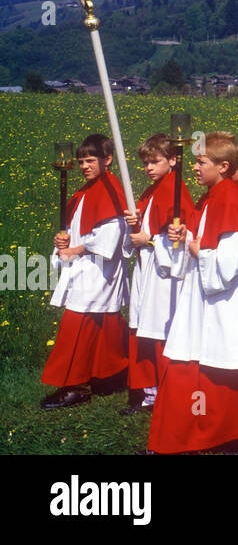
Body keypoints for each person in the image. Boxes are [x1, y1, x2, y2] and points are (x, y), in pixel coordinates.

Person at [148, 131, 238, 454]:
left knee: (227, 369)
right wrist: (185, 234)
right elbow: (203, 238)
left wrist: (196, 250)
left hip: (227, 302)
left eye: (201, 161)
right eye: (194, 161)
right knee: (198, 367)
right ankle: (194, 435)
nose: (194, 168)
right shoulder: (211, 198)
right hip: (204, 299)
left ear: (223, 166)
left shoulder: (230, 198)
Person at [41, 134, 129, 410]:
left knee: (79, 324)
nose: (84, 166)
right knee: (102, 326)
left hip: (99, 270)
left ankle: (74, 384)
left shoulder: (111, 190)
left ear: (108, 160)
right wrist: (62, 242)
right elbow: (77, 229)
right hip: (85, 267)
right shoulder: (85, 191)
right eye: (81, 161)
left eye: (91, 160)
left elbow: (108, 239)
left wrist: (75, 250)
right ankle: (109, 375)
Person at [120, 133, 195, 415]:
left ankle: (168, 391)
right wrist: (136, 226)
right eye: (145, 163)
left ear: (173, 161)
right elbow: (147, 229)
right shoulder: (152, 191)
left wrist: (148, 240)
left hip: (165, 274)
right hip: (147, 268)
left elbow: (179, 240)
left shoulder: (174, 190)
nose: (148, 168)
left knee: (161, 327)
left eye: (155, 162)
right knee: (144, 328)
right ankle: (149, 392)